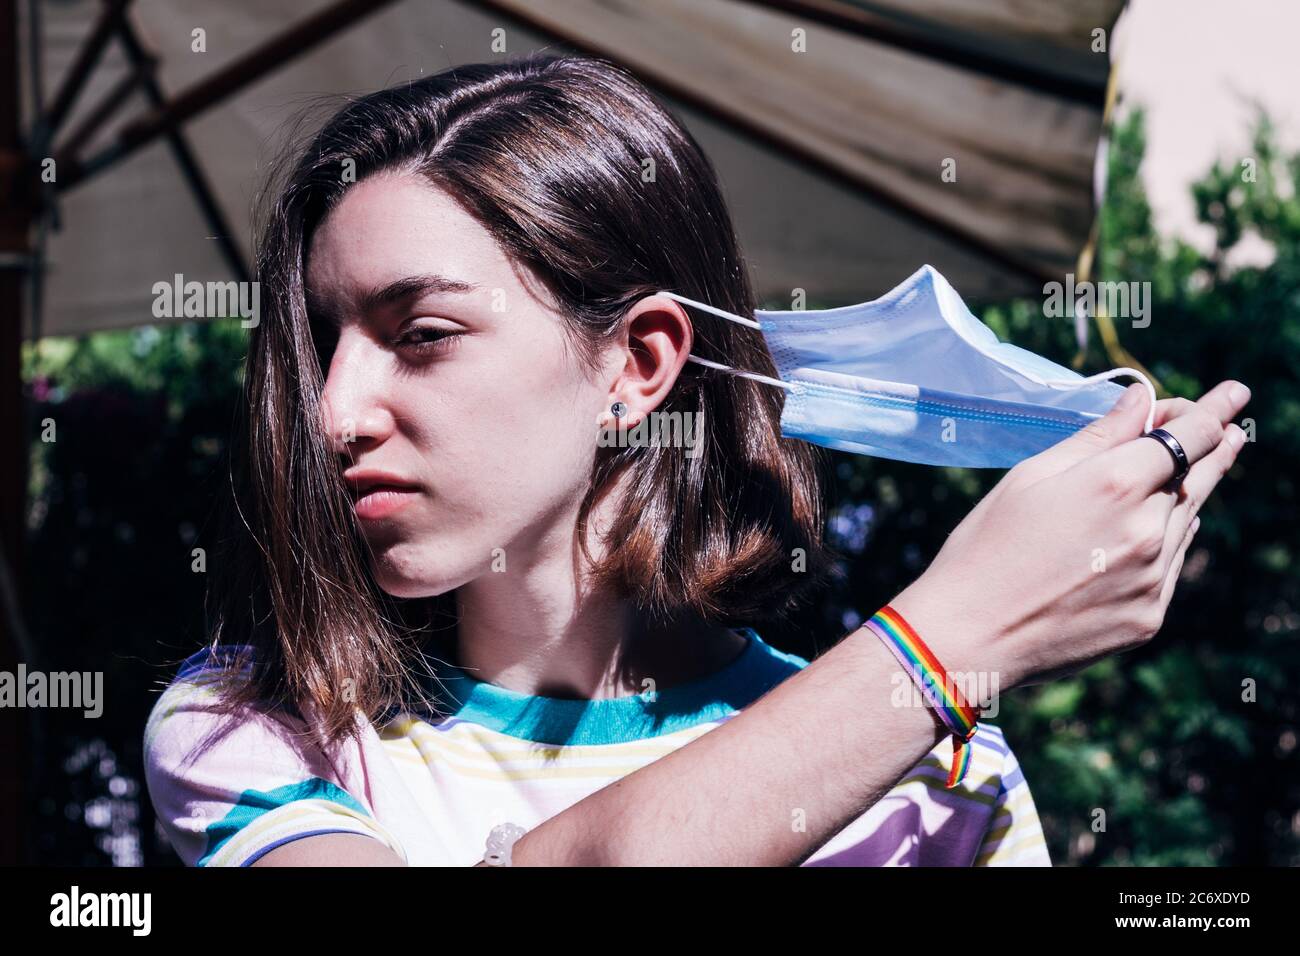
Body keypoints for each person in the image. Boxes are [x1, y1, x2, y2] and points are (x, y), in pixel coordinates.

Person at [142, 53, 1251, 867]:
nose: (334, 412)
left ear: (637, 362)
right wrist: (948, 640)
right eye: (323, 345)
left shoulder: (933, 789)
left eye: (421, 334)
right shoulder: (256, 726)